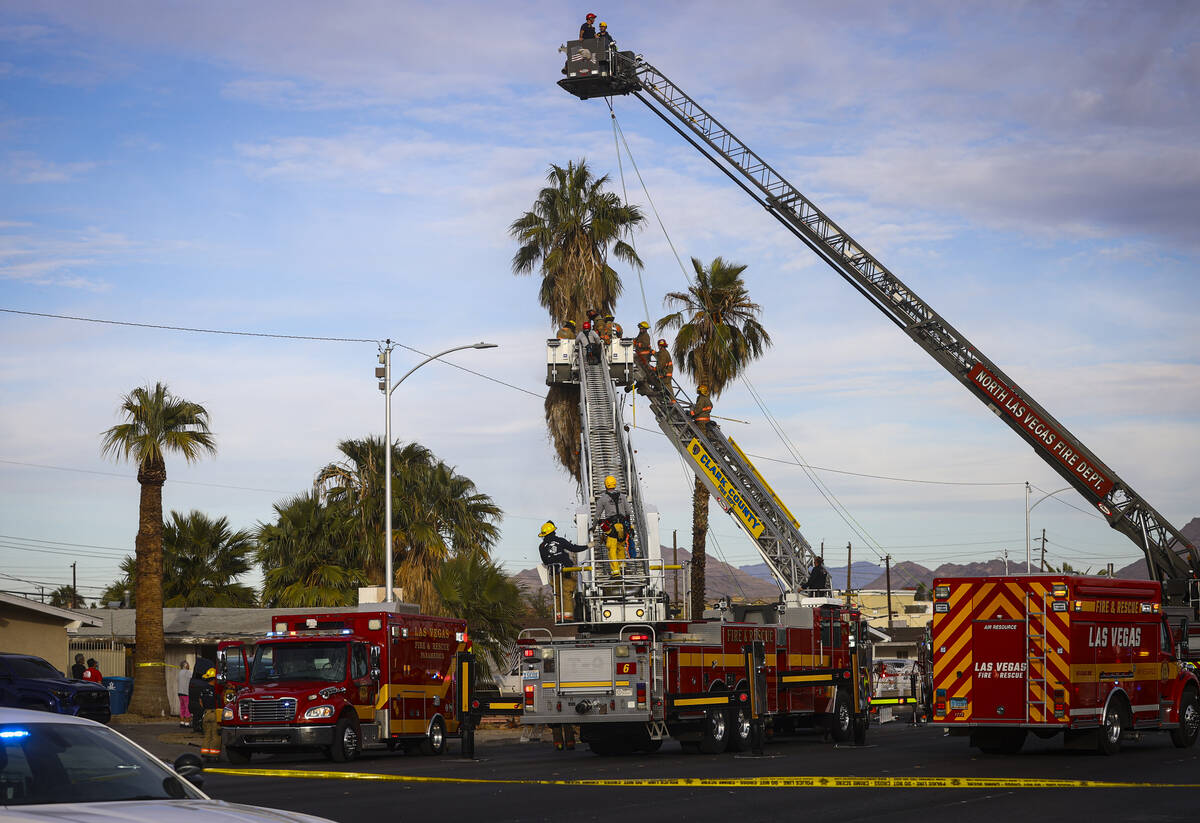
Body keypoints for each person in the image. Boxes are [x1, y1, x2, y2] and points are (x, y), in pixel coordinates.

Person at [538, 521, 585, 621]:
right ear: (553, 531)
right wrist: (587, 546)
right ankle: (567, 616)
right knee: (567, 592)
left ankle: (559, 617)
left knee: (557, 594)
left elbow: (545, 561)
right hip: (566, 571)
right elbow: (573, 548)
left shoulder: (542, 546)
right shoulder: (560, 541)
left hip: (554, 573)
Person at [177, 660, 192, 728]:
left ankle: (182, 722)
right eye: (188, 664)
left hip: (180, 692)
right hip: (186, 692)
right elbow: (192, 679)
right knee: (187, 707)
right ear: (185, 665)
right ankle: (187, 723)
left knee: (182, 707)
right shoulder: (188, 672)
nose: (189, 666)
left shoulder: (180, 672)